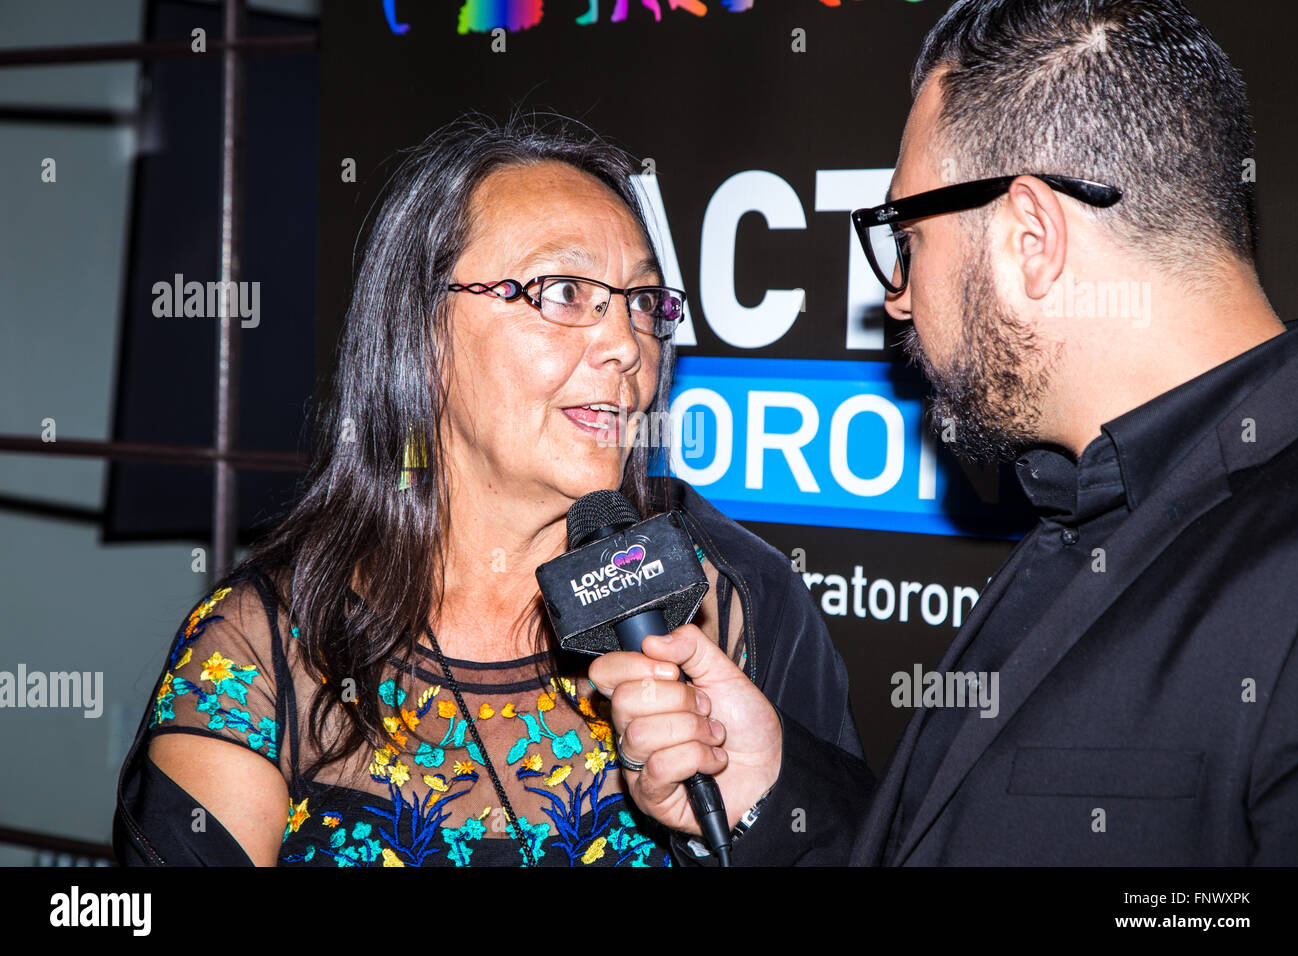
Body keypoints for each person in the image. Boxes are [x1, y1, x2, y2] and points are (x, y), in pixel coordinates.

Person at [590, 0, 1298, 865]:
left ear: (1031, 237)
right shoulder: (1083, 509)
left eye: (909, 237)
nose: (895, 296)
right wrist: (768, 784)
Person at [112, 113, 865, 867]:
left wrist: (765, 800)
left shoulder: (737, 599)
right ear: (424, 335)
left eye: (642, 302)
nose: (626, 344)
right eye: (565, 291)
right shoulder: (259, 653)